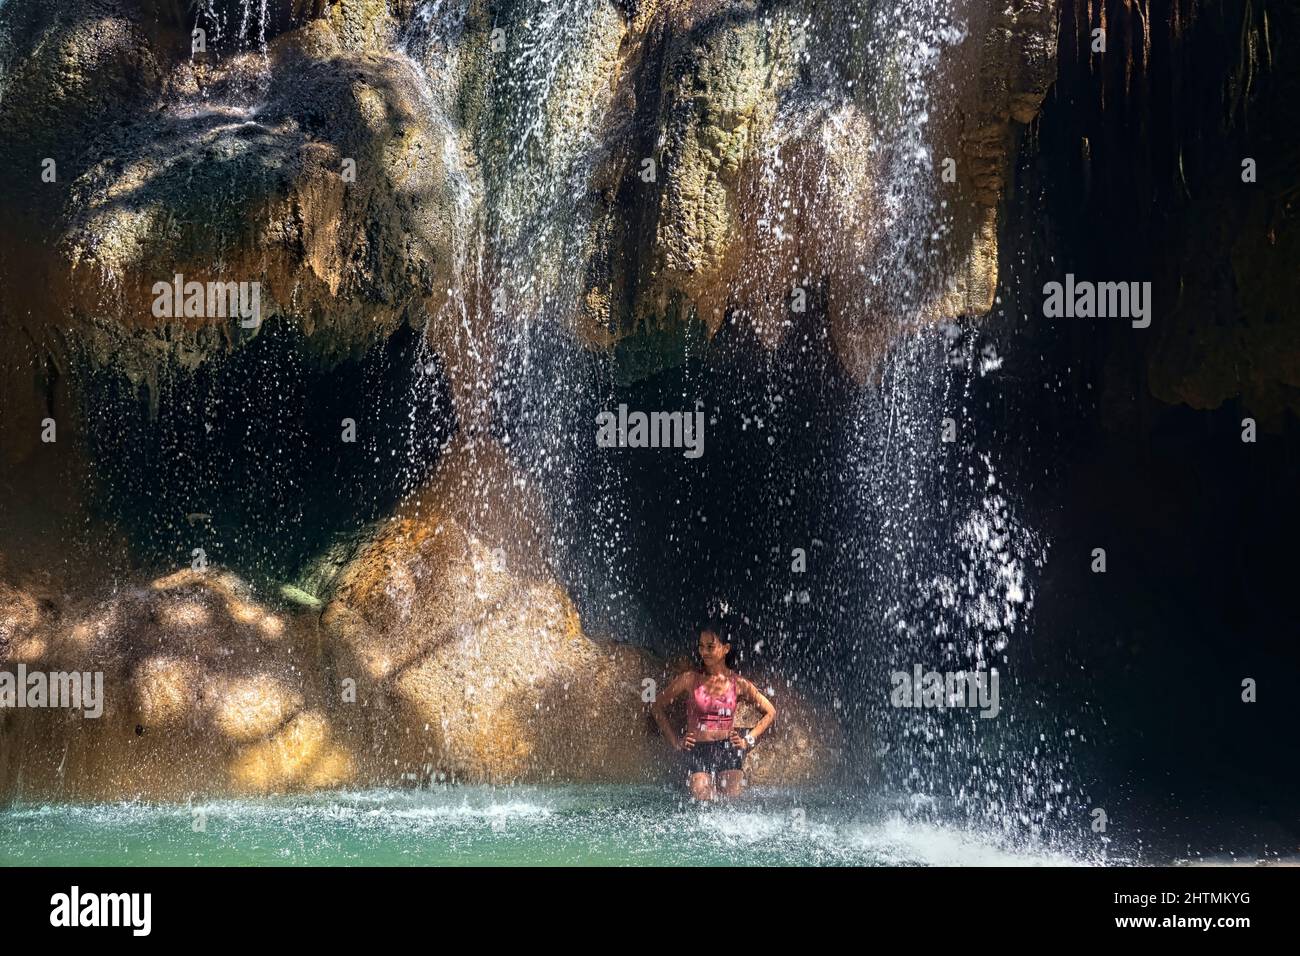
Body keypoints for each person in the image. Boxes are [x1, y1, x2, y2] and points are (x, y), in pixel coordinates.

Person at [651, 618, 777, 800]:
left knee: (731, 807)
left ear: (725, 649)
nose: (704, 652)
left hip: (728, 748)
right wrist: (676, 742)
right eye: (701, 646)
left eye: (710, 646)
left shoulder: (738, 683)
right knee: (704, 803)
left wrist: (747, 740)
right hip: (697, 749)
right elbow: (656, 706)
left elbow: (770, 712)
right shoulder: (690, 679)